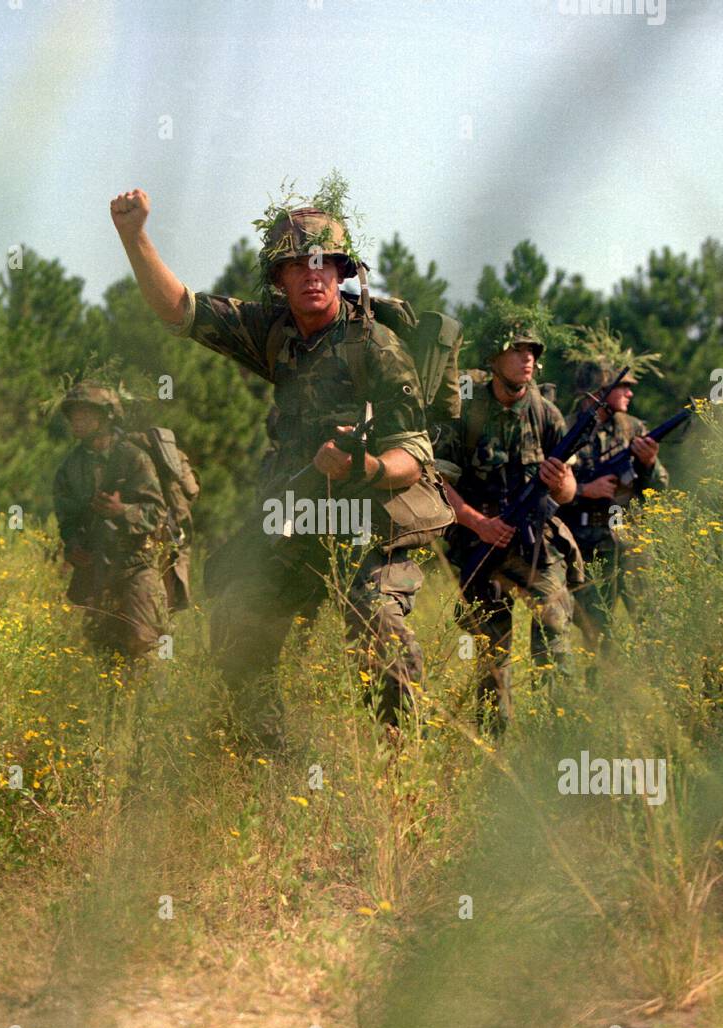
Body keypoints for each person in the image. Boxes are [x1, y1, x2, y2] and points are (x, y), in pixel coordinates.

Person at [109, 185, 451, 753]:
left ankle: (400, 763)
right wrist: (133, 235)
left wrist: (362, 465)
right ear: (279, 279)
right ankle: (273, 760)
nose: (312, 276)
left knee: (377, 622)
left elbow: (412, 457)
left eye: (324, 264)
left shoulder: (378, 346)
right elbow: (180, 310)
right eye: (297, 266)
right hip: (301, 513)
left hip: (370, 520)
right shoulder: (274, 332)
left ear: (341, 271)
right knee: (240, 615)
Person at [436, 301, 582, 733]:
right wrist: (477, 523)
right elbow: (439, 481)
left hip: (536, 540)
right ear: (494, 358)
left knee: (555, 632)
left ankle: (558, 734)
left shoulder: (546, 412)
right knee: (490, 652)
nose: (528, 359)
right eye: (517, 350)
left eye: (533, 351)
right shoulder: (466, 411)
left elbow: (570, 490)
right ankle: (493, 744)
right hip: (482, 544)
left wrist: (557, 482)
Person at [53, 381, 171, 661]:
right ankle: (112, 706)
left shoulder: (133, 457)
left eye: (85, 414)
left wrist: (122, 511)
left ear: (106, 417)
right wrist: (72, 546)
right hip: (96, 570)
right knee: (102, 649)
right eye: (73, 415)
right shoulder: (71, 467)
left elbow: (158, 513)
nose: (76, 421)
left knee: (143, 644)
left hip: (136, 566)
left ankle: (151, 706)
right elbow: (67, 519)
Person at [559, 354, 668, 648]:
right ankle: (602, 690)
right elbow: (545, 490)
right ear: (599, 391)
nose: (630, 393)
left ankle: (659, 687)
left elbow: (657, 489)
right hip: (586, 547)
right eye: (623, 387)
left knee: (652, 624)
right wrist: (584, 490)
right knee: (597, 632)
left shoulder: (633, 428)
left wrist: (649, 464)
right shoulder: (564, 429)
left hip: (630, 540)